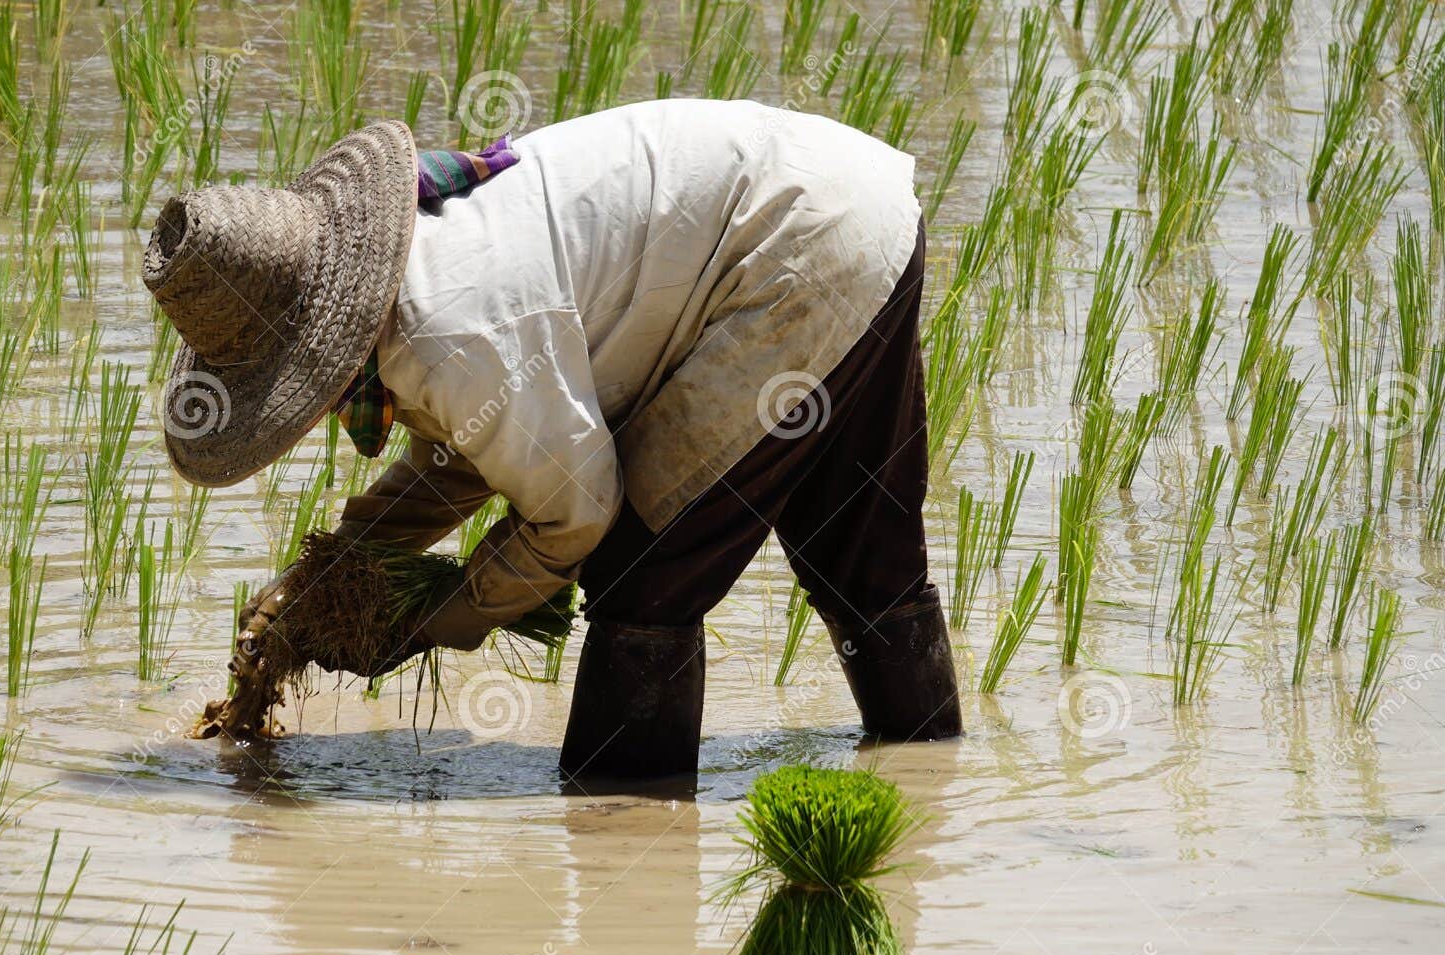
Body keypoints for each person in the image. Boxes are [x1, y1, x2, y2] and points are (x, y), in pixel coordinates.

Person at [142, 99, 961, 782]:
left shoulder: (448, 328)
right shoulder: (420, 265)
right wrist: (328, 577)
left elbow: (577, 513)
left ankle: (622, 826)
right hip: (855, 203)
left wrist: (436, 618)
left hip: (794, 247)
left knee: (644, 569)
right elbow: (466, 457)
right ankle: (933, 786)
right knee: (861, 543)